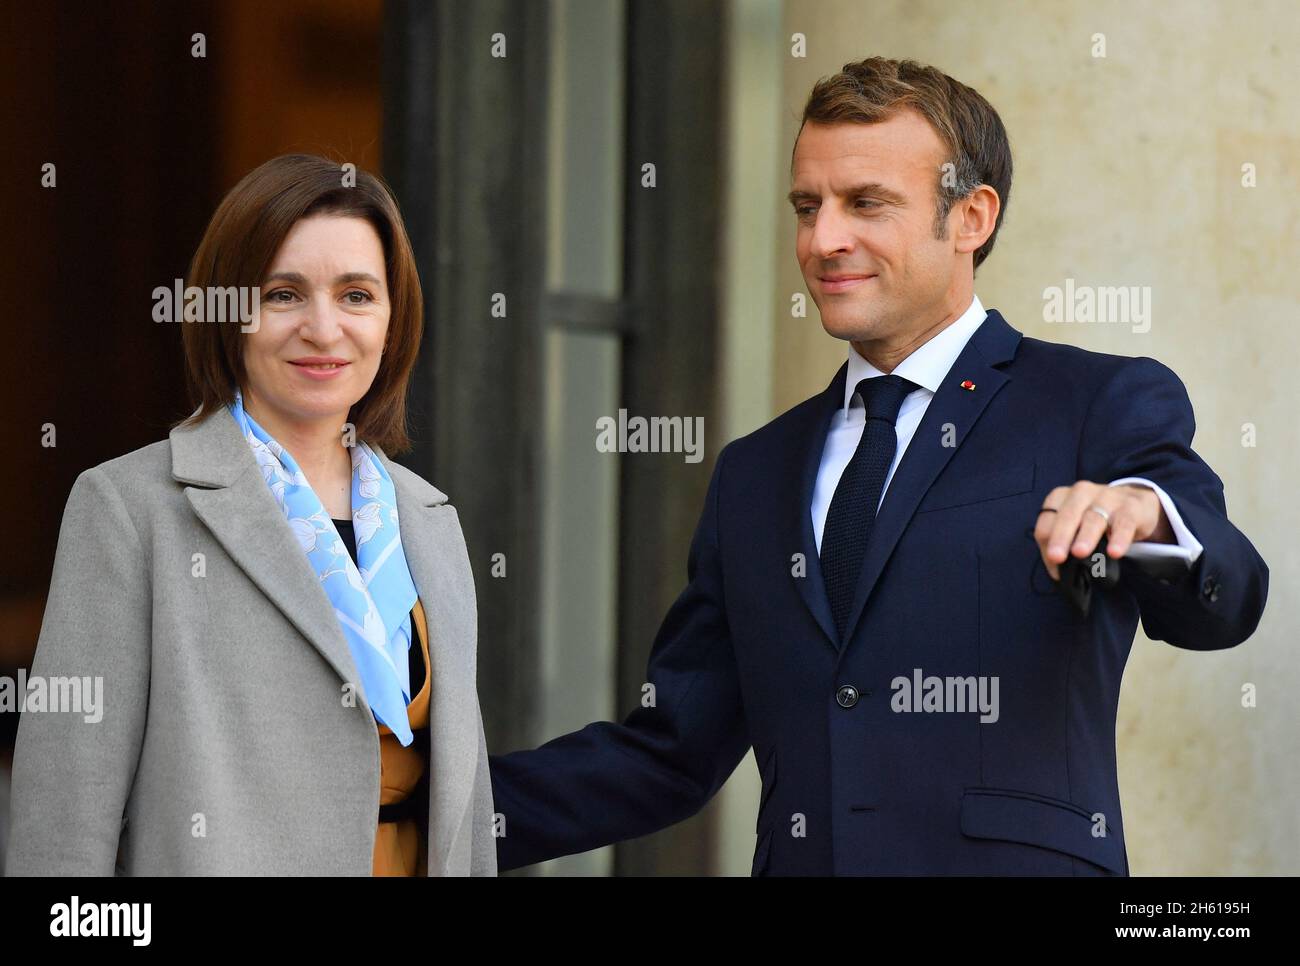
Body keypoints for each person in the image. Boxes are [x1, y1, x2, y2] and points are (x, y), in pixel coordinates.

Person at [489, 57, 1269, 876]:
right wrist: (421, 811)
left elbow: (1226, 598)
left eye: (866, 203)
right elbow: (669, 754)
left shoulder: (1092, 402)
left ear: (970, 216)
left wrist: (1146, 516)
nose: (823, 240)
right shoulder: (753, 474)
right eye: (806, 206)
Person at [5, 155, 496, 876]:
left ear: (393, 322)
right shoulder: (129, 510)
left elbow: (467, 811)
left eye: (357, 296)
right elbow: (63, 823)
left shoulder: (429, 521)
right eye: (284, 294)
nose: (324, 329)